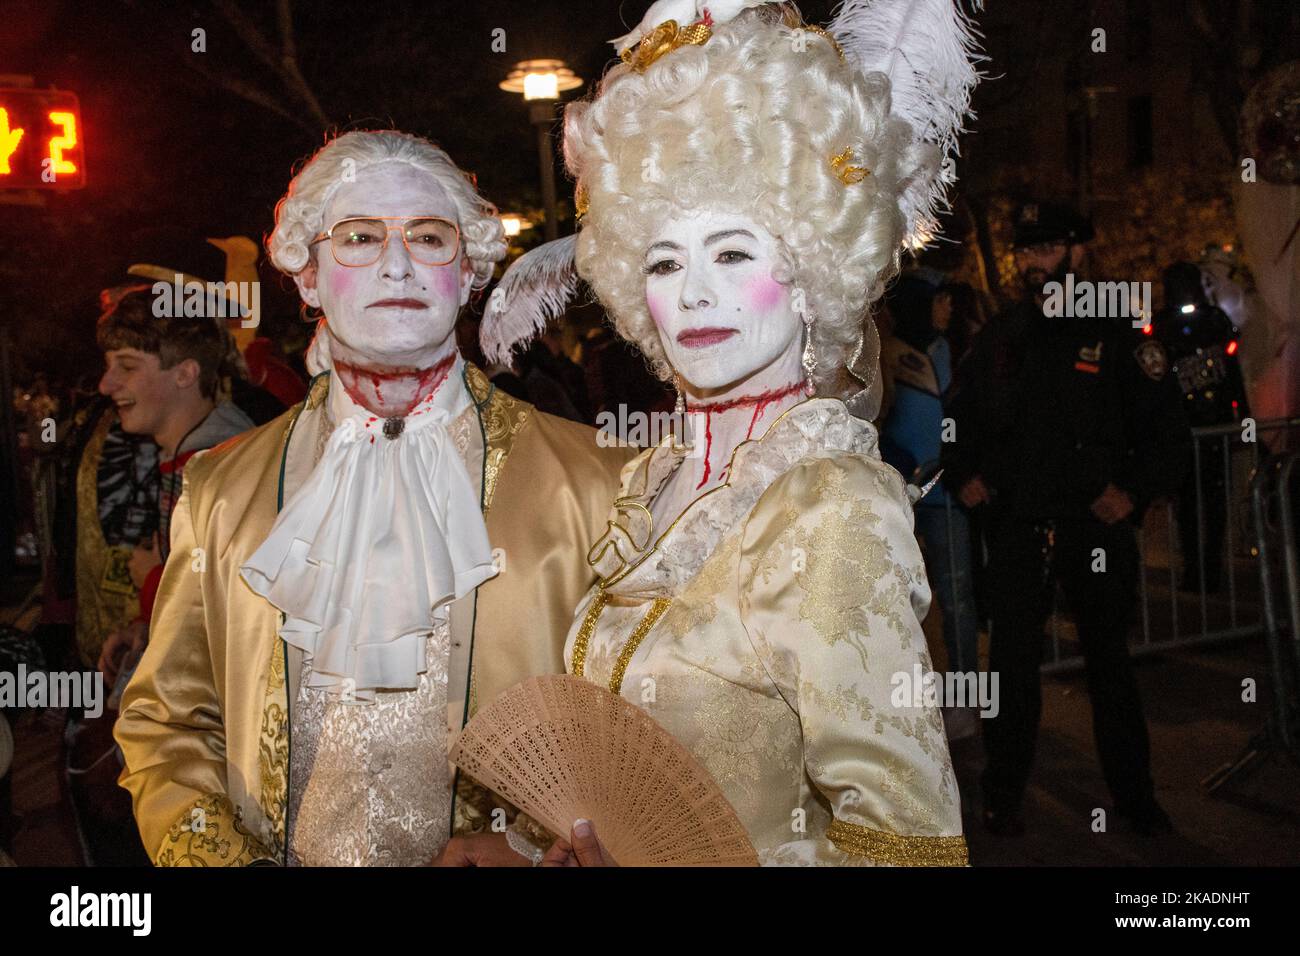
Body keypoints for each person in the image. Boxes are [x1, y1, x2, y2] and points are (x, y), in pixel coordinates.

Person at [483, 0, 982, 865]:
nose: (695, 294)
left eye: (734, 253)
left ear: (810, 275)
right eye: (665, 261)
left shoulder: (831, 505)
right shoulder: (656, 481)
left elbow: (907, 845)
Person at [114, 130, 631, 867]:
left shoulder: (601, 481)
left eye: (428, 236)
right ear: (309, 277)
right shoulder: (221, 488)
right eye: (358, 238)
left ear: (469, 269)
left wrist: (536, 843)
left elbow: (646, 725)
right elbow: (165, 722)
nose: (396, 263)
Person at [942, 200, 1191, 837]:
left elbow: (1167, 430)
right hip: (1021, 524)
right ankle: (1003, 795)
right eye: (1026, 251)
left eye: (1047, 249)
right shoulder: (1004, 333)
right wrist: (965, 469)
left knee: (1109, 666)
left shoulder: (1118, 328)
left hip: (1093, 528)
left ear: (1079, 251)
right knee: (1012, 670)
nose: (1034, 263)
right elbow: (961, 414)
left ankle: (1136, 798)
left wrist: (1131, 492)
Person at [879, 274, 981, 741]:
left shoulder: (954, 349)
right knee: (896, 604)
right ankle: (903, 703)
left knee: (957, 599)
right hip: (895, 498)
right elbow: (873, 422)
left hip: (946, 497)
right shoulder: (884, 353)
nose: (946, 307)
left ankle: (964, 702)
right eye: (937, 300)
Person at [1152, 261, 1249, 593]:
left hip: (1215, 427)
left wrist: (1244, 423)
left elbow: (1234, 375)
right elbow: (1153, 381)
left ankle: (1211, 567)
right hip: (1182, 431)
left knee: (1215, 502)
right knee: (1188, 504)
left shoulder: (1215, 321)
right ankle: (1195, 567)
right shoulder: (1162, 327)